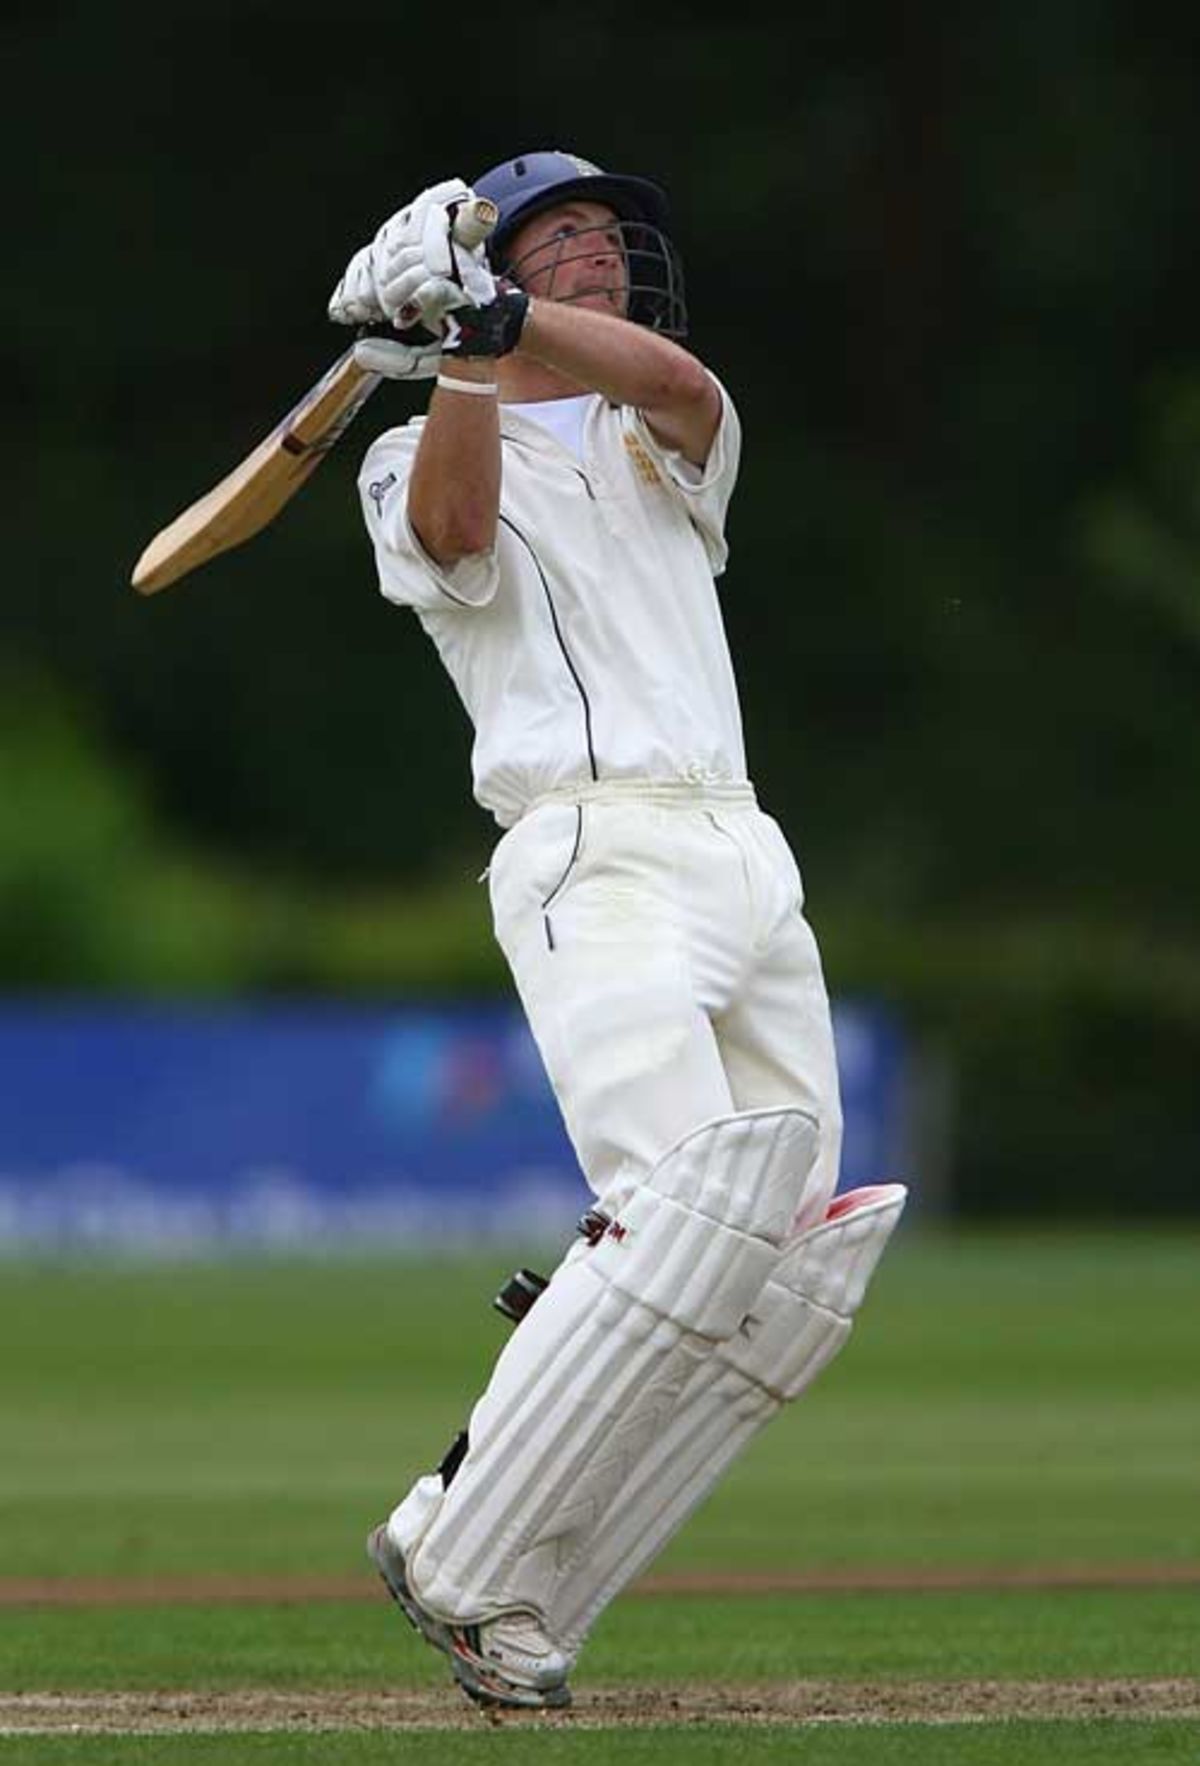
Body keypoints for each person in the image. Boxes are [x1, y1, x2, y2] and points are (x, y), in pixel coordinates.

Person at [327, 150, 908, 1712]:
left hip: (741, 843)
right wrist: (458, 352)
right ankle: (464, 1561)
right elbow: (457, 532)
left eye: (608, 240)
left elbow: (676, 377)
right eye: (562, 240)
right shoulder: (404, 460)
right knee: (679, 1212)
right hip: (592, 848)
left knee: (778, 1267)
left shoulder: (662, 432)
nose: (603, 258)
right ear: (498, 270)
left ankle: (500, 1563)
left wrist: (490, 302)